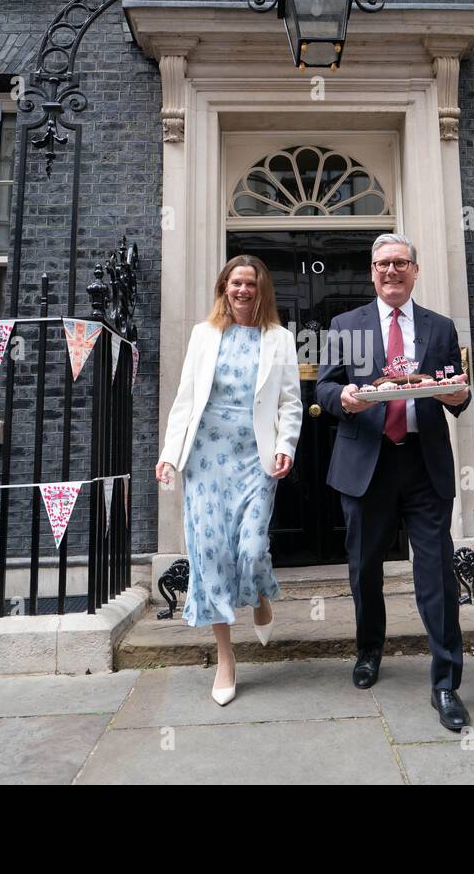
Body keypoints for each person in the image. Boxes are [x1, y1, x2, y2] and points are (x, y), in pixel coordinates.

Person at [316, 233, 474, 731]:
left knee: (437, 574)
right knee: (365, 569)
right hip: (367, 463)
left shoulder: (440, 327)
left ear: (415, 270)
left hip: (423, 466)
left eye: (401, 263)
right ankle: (368, 651)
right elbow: (323, 384)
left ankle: (446, 683)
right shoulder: (346, 324)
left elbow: (458, 392)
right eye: (383, 264)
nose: (392, 272)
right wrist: (348, 397)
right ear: (371, 271)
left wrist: (451, 395)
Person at [155, 255, 303, 706]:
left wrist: (287, 446)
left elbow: (290, 402)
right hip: (205, 458)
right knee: (213, 553)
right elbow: (185, 399)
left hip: (254, 457)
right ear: (224, 287)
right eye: (236, 283)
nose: (243, 291)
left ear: (261, 291)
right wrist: (169, 455)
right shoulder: (204, 335)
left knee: (252, 547)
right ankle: (225, 656)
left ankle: (259, 590)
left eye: (251, 284)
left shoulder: (279, 339)